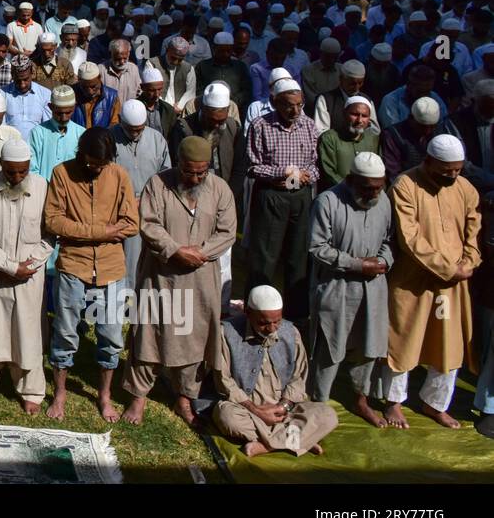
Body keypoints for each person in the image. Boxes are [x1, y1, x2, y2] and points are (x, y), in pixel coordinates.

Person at [123, 135, 235, 426]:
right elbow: (148, 224)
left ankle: (185, 397)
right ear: (178, 163)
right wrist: (175, 251)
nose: (196, 177)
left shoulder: (220, 189)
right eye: (189, 171)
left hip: (200, 277)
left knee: (194, 337)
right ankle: (138, 396)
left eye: (202, 171)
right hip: (160, 275)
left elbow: (227, 232)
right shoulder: (157, 185)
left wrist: (199, 253)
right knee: (149, 332)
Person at [383, 134, 482, 429]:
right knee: (403, 340)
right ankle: (393, 402)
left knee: (448, 345)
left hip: (453, 285)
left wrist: (470, 261)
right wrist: (449, 269)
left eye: (457, 170)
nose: (452, 176)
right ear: (427, 162)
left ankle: (435, 404)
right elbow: (410, 238)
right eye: (446, 170)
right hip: (412, 280)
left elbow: (473, 230)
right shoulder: (405, 186)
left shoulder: (465, 188)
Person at [43, 126, 138, 422]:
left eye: (101, 164)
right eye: (90, 163)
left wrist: (85, 233)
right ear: (80, 154)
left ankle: (104, 395)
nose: (95, 169)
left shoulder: (119, 175)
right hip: (73, 265)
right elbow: (54, 222)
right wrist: (102, 232)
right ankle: (59, 394)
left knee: (110, 334)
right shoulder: (62, 174)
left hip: (111, 268)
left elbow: (132, 223)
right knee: (65, 332)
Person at [309, 152, 393, 426]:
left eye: (378, 188)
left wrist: (382, 261)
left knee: (368, 347)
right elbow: (317, 248)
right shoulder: (328, 201)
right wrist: (357, 265)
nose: (372, 194)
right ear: (349, 180)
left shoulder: (384, 202)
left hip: (373, 289)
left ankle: (361, 400)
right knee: (330, 348)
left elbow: (390, 241)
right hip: (337, 286)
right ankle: (318, 404)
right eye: (366, 188)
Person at [0, 139, 50, 414]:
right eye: (11, 172)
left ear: (29, 167)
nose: (16, 178)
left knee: (27, 329)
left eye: (22, 172)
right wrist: (10, 266)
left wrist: (31, 263)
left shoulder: (41, 187)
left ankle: (30, 390)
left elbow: (49, 234)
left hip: (31, 273)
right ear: (1, 165)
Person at [213, 285, 338, 457]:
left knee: (328, 415)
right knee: (227, 417)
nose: (272, 329)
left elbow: (298, 377)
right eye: (263, 323)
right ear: (248, 313)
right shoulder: (225, 332)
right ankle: (298, 439)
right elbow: (223, 380)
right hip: (246, 408)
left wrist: (283, 405)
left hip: (284, 410)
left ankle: (267, 446)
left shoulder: (290, 331)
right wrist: (256, 410)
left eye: (277, 321)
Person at [245, 77, 319, 318]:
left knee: (298, 258)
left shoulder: (308, 125)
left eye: (299, 104)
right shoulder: (260, 125)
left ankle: (296, 317)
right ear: (274, 102)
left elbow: (315, 165)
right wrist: (284, 172)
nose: (295, 110)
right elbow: (253, 166)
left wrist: (302, 175)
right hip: (271, 196)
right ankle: (256, 312)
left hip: (299, 196)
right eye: (288, 105)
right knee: (264, 258)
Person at [112, 98, 170, 283]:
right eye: (131, 129)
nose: (136, 134)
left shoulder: (156, 139)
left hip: (152, 208)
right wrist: (127, 201)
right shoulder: (109, 137)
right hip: (119, 210)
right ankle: (125, 308)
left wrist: (147, 199)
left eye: (140, 129)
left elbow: (166, 174)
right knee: (127, 263)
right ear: (121, 120)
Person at [316, 95, 380, 188]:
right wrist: (351, 189)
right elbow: (329, 172)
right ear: (344, 113)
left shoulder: (373, 139)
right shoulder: (329, 138)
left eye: (364, 116)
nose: (359, 120)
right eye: (355, 114)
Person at [28, 84, 83, 179]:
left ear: (74, 107)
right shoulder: (38, 133)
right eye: (59, 113)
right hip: (43, 189)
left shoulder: (81, 133)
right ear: (50, 107)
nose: (63, 118)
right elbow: (32, 168)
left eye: (68, 112)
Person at [73, 61, 121, 129]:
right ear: (79, 80)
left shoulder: (112, 97)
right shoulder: (71, 94)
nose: (90, 92)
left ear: (99, 78)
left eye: (93, 86)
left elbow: (115, 125)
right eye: (84, 87)